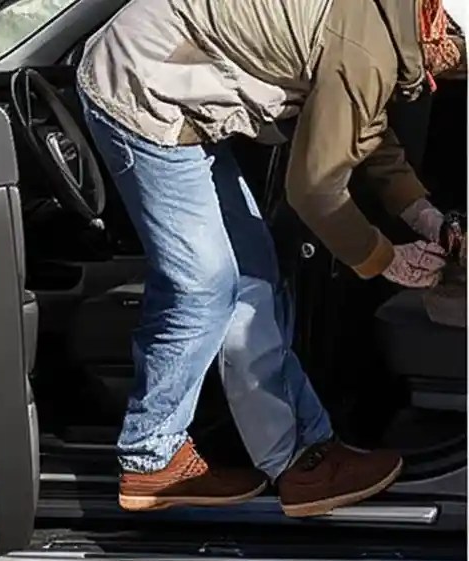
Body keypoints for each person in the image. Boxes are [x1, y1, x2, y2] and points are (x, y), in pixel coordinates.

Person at [75, 0, 464, 516]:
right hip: (142, 87)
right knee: (205, 287)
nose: (456, 70)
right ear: (442, 31)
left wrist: (425, 217)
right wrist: (384, 259)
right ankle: (151, 457)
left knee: (254, 279)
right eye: (460, 58)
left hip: (180, 97)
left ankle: (301, 457)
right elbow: (315, 190)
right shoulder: (367, 49)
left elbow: (362, 130)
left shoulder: (382, 27)